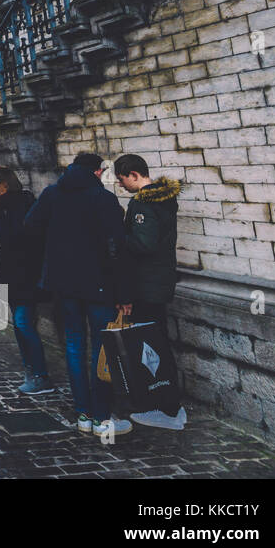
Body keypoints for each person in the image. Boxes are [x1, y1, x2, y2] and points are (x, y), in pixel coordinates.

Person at [24, 152, 130, 438]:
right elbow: (117, 248)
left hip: (64, 284)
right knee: (101, 348)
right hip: (98, 285)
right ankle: (101, 416)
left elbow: (30, 227)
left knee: (73, 345)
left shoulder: (51, 194)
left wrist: (57, 244)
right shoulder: (103, 199)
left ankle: (83, 414)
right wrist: (123, 292)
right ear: (97, 172)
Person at [113, 154, 186, 431]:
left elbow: (144, 244)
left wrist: (119, 236)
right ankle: (166, 404)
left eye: (121, 180)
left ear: (133, 174)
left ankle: (166, 408)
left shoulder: (143, 202)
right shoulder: (164, 198)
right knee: (156, 343)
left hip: (147, 285)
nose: (121, 186)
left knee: (152, 346)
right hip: (159, 282)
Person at [0, 166, 51, 395]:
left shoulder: (25, 203)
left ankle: (40, 375)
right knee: (18, 323)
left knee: (24, 322)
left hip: (25, 273)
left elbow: (30, 238)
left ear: (4, 183)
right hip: (9, 273)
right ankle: (31, 369)